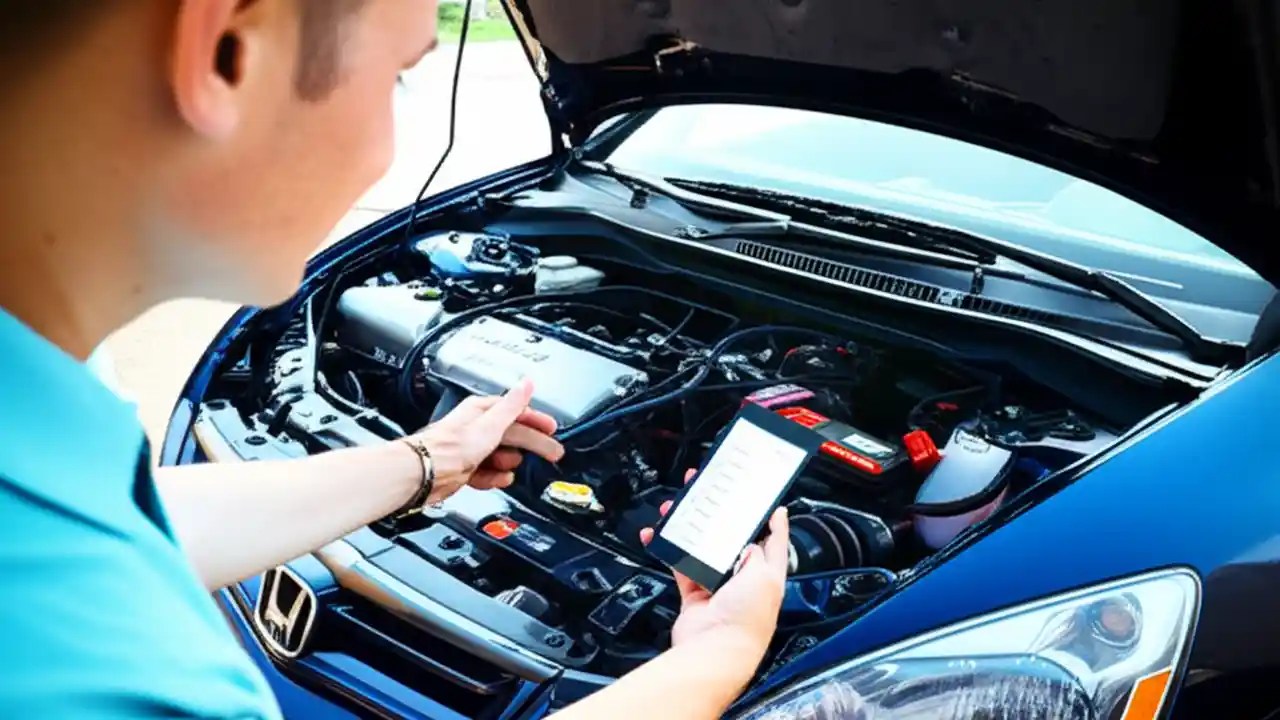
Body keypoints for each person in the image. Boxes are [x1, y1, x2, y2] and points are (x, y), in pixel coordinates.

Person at [0, 2, 791, 718]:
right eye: (400, 77)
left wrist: (423, 463)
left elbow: (139, 520)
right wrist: (715, 659)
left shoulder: (35, 428)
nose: (387, 150)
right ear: (227, 52)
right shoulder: (98, 679)